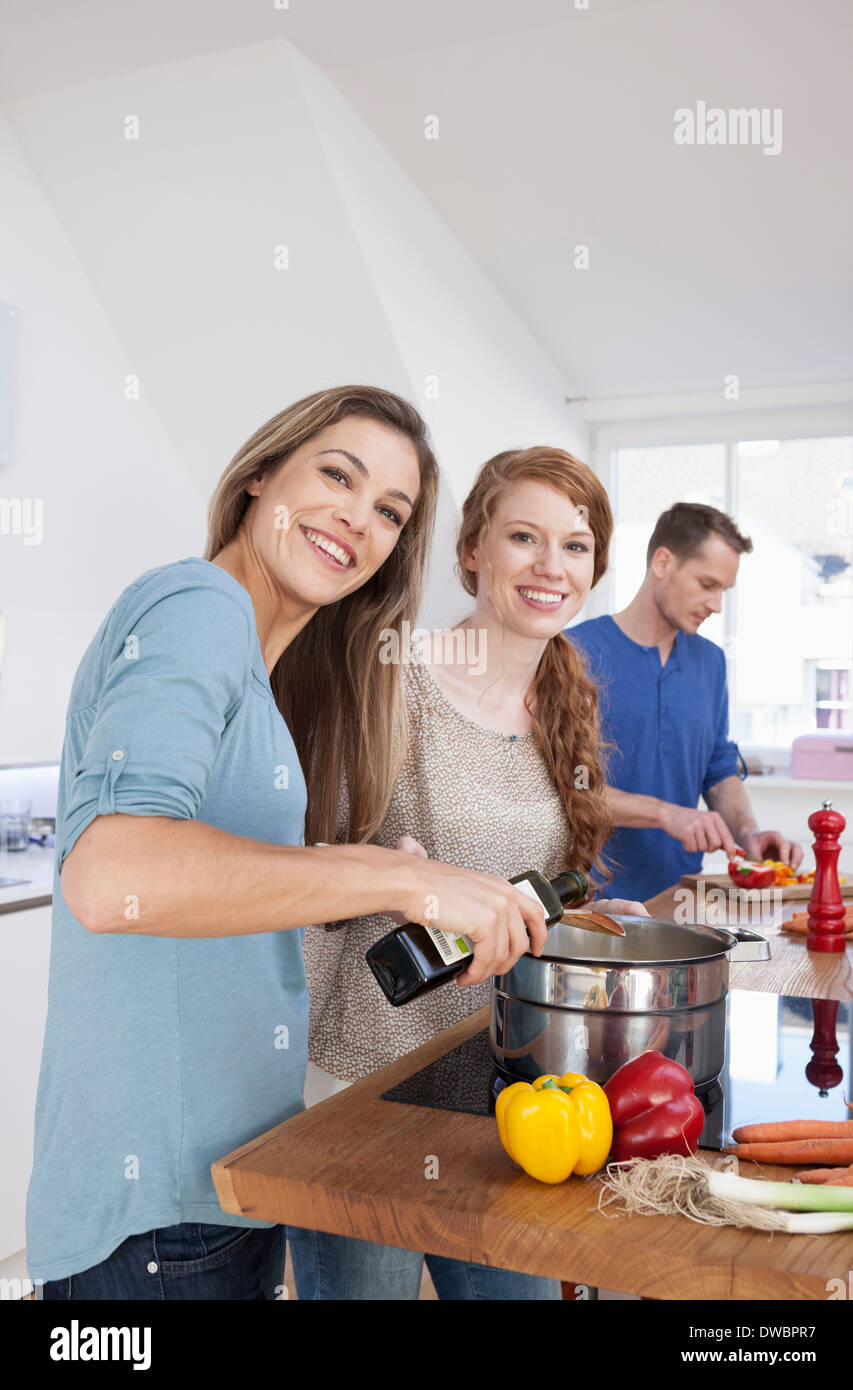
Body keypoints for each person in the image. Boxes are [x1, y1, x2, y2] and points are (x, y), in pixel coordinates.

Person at [27, 386, 549, 1300]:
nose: (359, 517)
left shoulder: (260, 675)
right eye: (338, 475)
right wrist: (395, 877)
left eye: (391, 511)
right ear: (260, 476)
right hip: (152, 1213)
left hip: (218, 1192)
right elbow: (109, 875)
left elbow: (234, 889)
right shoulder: (195, 603)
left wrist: (386, 882)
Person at [297, 445, 649, 1301]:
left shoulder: (567, 697)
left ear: (596, 569)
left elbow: (528, 888)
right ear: (471, 552)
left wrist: (591, 917)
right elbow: (305, 872)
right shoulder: (390, 680)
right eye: (523, 536)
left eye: (574, 546)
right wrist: (383, 871)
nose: (549, 566)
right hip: (371, 1086)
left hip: (513, 1086)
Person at [566, 502, 802, 903]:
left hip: (682, 898)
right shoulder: (573, 652)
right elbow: (567, 784)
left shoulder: (711, 662)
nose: (717, 604)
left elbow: (718, 767)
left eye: (724, 590)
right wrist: (667, 813)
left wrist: (749, 832)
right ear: (663, 562)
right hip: (591, 901)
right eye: (707, 584)